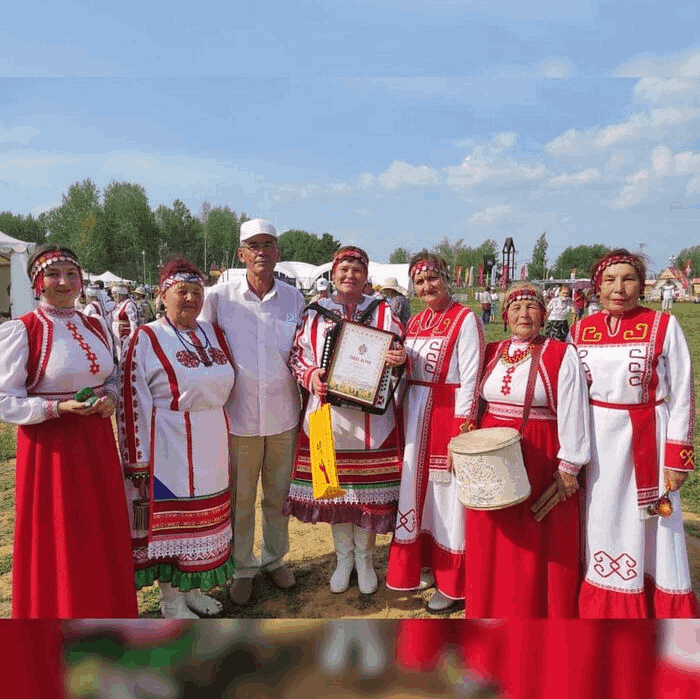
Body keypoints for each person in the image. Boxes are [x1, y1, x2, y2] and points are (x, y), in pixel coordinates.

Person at [0, 244, 138, 618]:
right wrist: (57, 408)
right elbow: (4, 400)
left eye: (71, 274)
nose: (64, 282)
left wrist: (109, 396)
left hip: (95, 441)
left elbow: (111, 375)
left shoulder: (94, 324)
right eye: (53, 274)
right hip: (51, 450)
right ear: (37, 282)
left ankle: (107, 614)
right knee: (60, 538)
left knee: (99, 533)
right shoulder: (23, 330)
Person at [570, 249, 698, 618]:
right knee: (599, 513)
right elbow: (572, 390)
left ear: (641, 285)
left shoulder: (662, 325)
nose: (619, 288)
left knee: (651, 518)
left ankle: (650, 595)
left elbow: (683, 392)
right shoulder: (581, 329)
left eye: (628, 279)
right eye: (610, 280)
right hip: (596, 438)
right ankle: (603, 593)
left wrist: (678, 457)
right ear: (597, 287)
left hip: (647, 436)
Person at [284, 246, 406, 594]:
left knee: (366, 494)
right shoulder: (314, 313)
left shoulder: (384, 311)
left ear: (366, 276)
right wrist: (312, 376)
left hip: (372, 422)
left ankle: (365, 559)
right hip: (327, 418)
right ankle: (343, 558)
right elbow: (297, 356)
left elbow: (402, 349)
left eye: (357, 269)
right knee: (334, 490)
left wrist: (399, 357)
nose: (350, 275)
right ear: (333, 274)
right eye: (344, 269)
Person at [463, 282, 590, 618]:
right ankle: (489, 609)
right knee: (492, 535)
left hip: (539, 452)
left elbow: (574, 411)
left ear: (544, 314)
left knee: (535, 540)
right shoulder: (491, 351)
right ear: (504, 315)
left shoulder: (561, 354)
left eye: (531, 307)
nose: (524, 314)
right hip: (490, 457)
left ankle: (536, 615)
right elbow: (473, 402)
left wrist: (569, 466)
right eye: (516, 308)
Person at [118, 256, 236, 618]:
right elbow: (131, 397)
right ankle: (171, 601)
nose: (190, 299)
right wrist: (137, 456)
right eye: (181, 291)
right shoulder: (147, 336)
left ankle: (194, 587)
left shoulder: (213, 333)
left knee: (205, 520)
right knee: (173, 524)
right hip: (168, 441)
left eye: (197, 292)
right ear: (162, 295)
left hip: (212, 436)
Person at [200, 218, 305, 606]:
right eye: (254, 245)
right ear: (242, 253)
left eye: (269, 245)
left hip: (283, 416)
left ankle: (275, 558)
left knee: (277, 495)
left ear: (278, 252)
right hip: (238, 416)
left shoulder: (294, 299)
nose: (262, 252)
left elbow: (304, 350)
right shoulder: (219, 297)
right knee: (241, 499)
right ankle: (243, 567)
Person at [386, 253, 484, 612]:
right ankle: (426, 563)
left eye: (433, 279)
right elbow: (410, 366)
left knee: (447, 497)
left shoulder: (466, 319)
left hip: (447, 415)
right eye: (420, 282)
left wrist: (463, 431)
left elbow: (472, 378)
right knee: (419, 493)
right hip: (415, 413)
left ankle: (453, 581)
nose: (427, 287)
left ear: (447, 279)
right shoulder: (416, 322)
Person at [112, 284, 138, 357]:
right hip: (118, 333)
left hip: (124, 333)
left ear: (121, 295)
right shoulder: (120, 304)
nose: (113, 296)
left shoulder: (129, 304)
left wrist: (133, 335)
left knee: (124, 352)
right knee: (119, 351)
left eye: (115, 294)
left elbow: (133, 321)